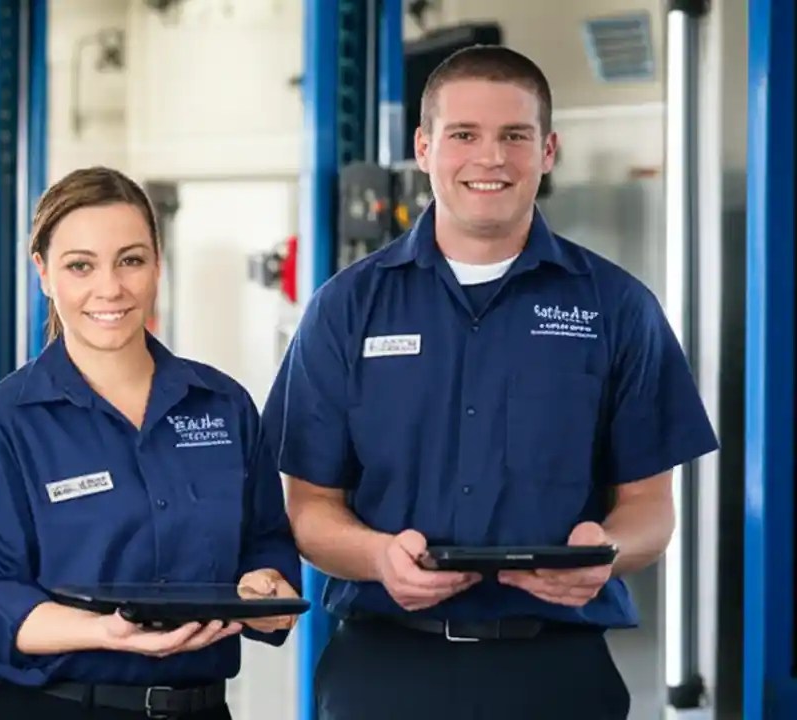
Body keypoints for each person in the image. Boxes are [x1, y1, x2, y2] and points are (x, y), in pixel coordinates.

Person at [263, 45, 719, 720]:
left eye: (515, 136)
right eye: (464, 135)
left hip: (556, 672)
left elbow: (652, 508)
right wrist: (379, 556)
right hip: (384, 670)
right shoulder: (346, 308)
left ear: (549, 150)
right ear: (424, 147)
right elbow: (308, 509)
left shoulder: (617, 308)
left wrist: (607, 552)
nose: (491, 158)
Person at [0, 166, 303, 719]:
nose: (109, 288)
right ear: (42, 273)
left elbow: (266, 545)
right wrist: (104, 633)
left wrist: (265, 591)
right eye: (80, 266)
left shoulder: (223, 406)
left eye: (130, 260)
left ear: (158, 263)